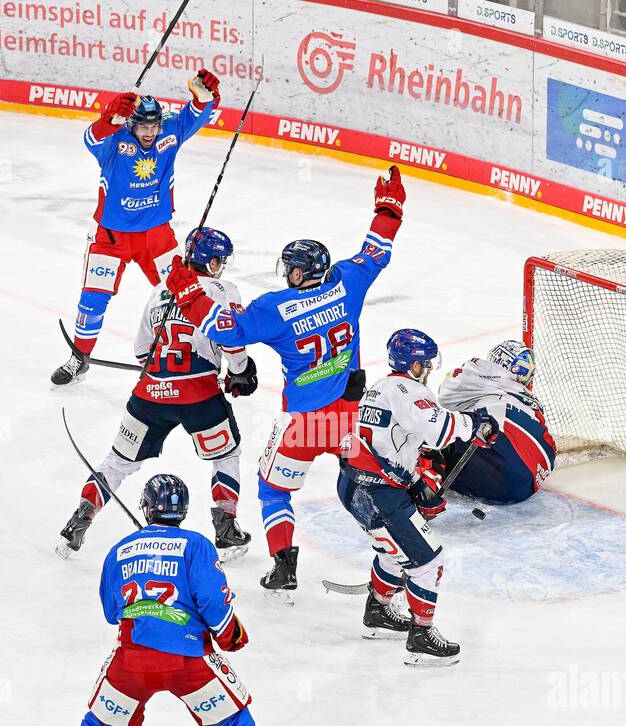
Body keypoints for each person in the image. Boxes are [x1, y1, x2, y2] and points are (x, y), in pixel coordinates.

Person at [164, 166, 407, 601]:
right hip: (351, 417)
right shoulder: (347, 284)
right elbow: (377, 253)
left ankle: (284, 567)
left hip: (304, 423)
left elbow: (226, 331)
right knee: (361, 485)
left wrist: (189, 293)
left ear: (296, 273)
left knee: (273, 489)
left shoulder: (274, 308)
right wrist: (388, 209)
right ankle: (391, 552)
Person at [40, 475, 274, 726]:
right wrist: (232, 633)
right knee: (236, 725)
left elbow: (112, 612)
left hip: (131, 660)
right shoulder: (195, 544)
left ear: (147, 507)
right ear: (183, 510)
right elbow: (214, 604)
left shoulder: (119, 550)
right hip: (187, 661)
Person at [56, 227, 256, 560]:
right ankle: (225, 528)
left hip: (149, 393)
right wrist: (239, 372)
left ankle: (80, 518)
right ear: (210, 261)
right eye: (220, 260)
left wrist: (164, 373)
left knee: (117, 463)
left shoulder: (160, 290)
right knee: (225, 455)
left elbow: (142, 351)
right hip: (199, 396)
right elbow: (230, 338)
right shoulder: (225, 289)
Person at [335, 329, 499, 667]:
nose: (427, 369)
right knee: (428, 561)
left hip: (353, 485)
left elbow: (395, 444)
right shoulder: (407, 390)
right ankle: (421, 637)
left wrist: (413, 482)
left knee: (393, 552)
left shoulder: (380, 388)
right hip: (376, 492)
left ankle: (378, 610)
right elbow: (438, 429)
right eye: (424, 363)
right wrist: (475, 424)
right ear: (412, 365)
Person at [50, 71, 221, 385]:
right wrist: (110, 116)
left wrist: (205, 96)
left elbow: (196, 112)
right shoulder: (115, 141)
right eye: (143, 126)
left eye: (154, 126)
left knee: (183, 295)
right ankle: (79, 359)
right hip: (111, 237)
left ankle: (203, 359)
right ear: (131, 124)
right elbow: (91, 137)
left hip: (156, 236)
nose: (149, 133)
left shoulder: (169, 133)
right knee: (93, 300)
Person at [436, 340, 557, 505]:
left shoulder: (484, 374)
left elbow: (444, 396)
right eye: (520, 368)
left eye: (527, 370)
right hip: (527, 488)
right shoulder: (531, 402)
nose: (523, 376)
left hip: (499, 480)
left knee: (436, 429)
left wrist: (475, 366)